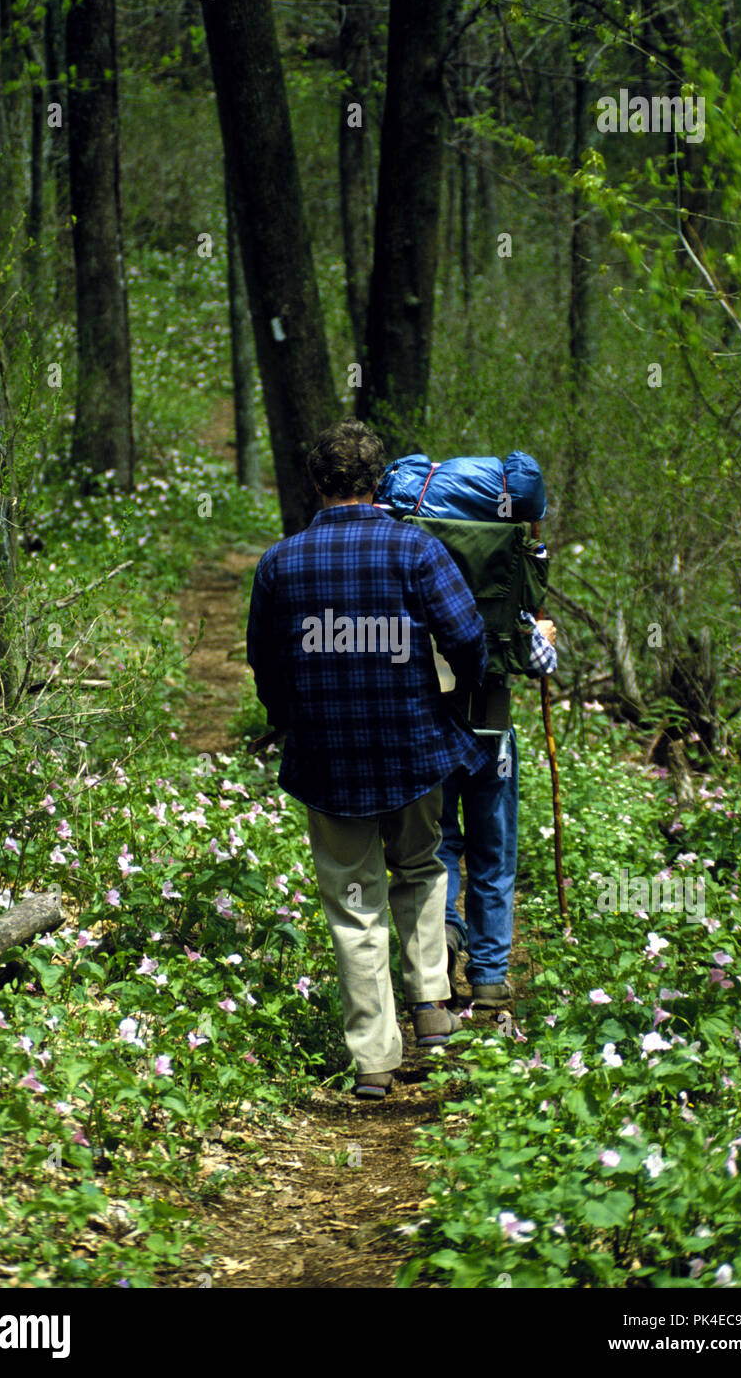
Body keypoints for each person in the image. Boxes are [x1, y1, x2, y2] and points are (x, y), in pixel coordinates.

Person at [247, 419, 490, 1099]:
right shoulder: (416, 548)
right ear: (377, 481)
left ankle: (374, 1059)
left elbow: (266, 662)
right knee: (421, 867)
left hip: (327, 757)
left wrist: (288, 716)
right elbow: (466, 636)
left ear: (315, 484)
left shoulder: (280, 562)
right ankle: (432, 1008)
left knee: (353, 903)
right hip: (413, 745)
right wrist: (459, 690)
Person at [441, 574, 557, 1009]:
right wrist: (541, 635)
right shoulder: (506, 582)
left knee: (439, 844)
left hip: (432, 728)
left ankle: (443, 934)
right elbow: (541, 663)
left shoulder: (419, 564)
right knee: (493, 852)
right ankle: (489, 976)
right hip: (493, 730)